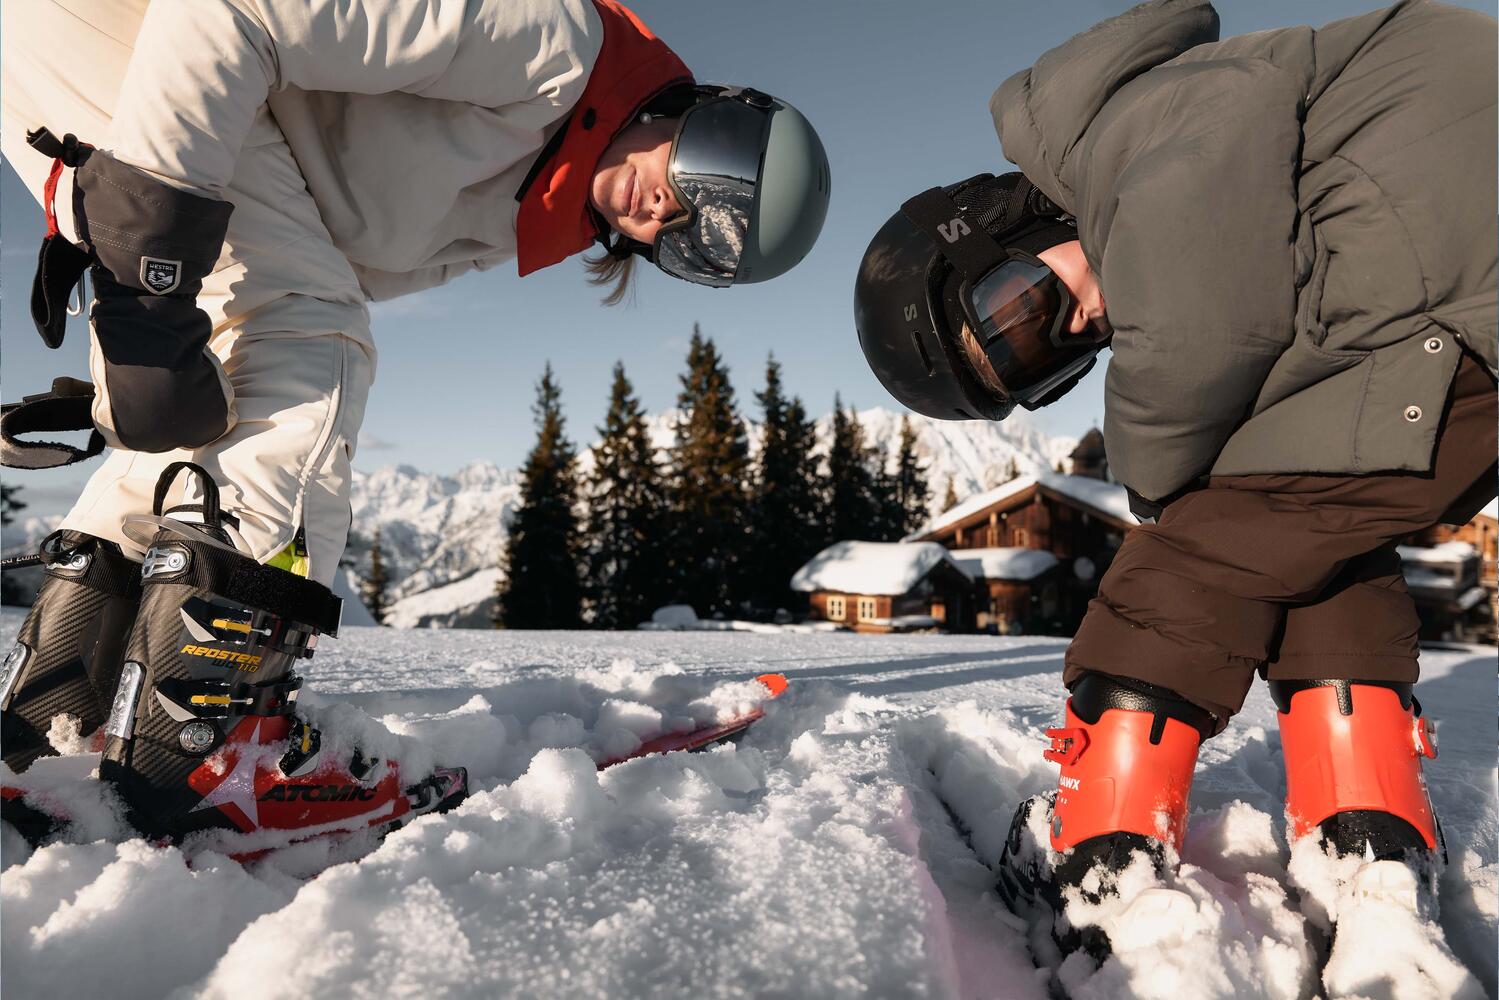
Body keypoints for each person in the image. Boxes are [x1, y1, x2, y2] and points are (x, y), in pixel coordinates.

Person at [0, 0, 830, 845]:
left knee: (239, 378)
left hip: (102, 80)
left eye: (697, 243)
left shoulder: (524, 205)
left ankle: (56, 717)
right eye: (706, 175)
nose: (665, 213)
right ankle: (210, 754)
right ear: (701, 108)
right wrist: (154, 273)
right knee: (307, 337)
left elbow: (302, 266)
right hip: (139, 38)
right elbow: (230, 13)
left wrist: (158, 333)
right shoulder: (553, 41)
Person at [853, 0, 1495, 963]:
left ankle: (1100, 847)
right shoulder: (1172, 140)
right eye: (1036, 362)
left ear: (999, 224)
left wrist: (1161, 495)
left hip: (1451, 261)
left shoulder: (1122, 123)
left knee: (1210, 540)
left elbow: (1204, 337)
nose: (1070, 328)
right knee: (1301, 519)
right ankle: (1367, 825)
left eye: (1020, 311)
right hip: (1434, 273)